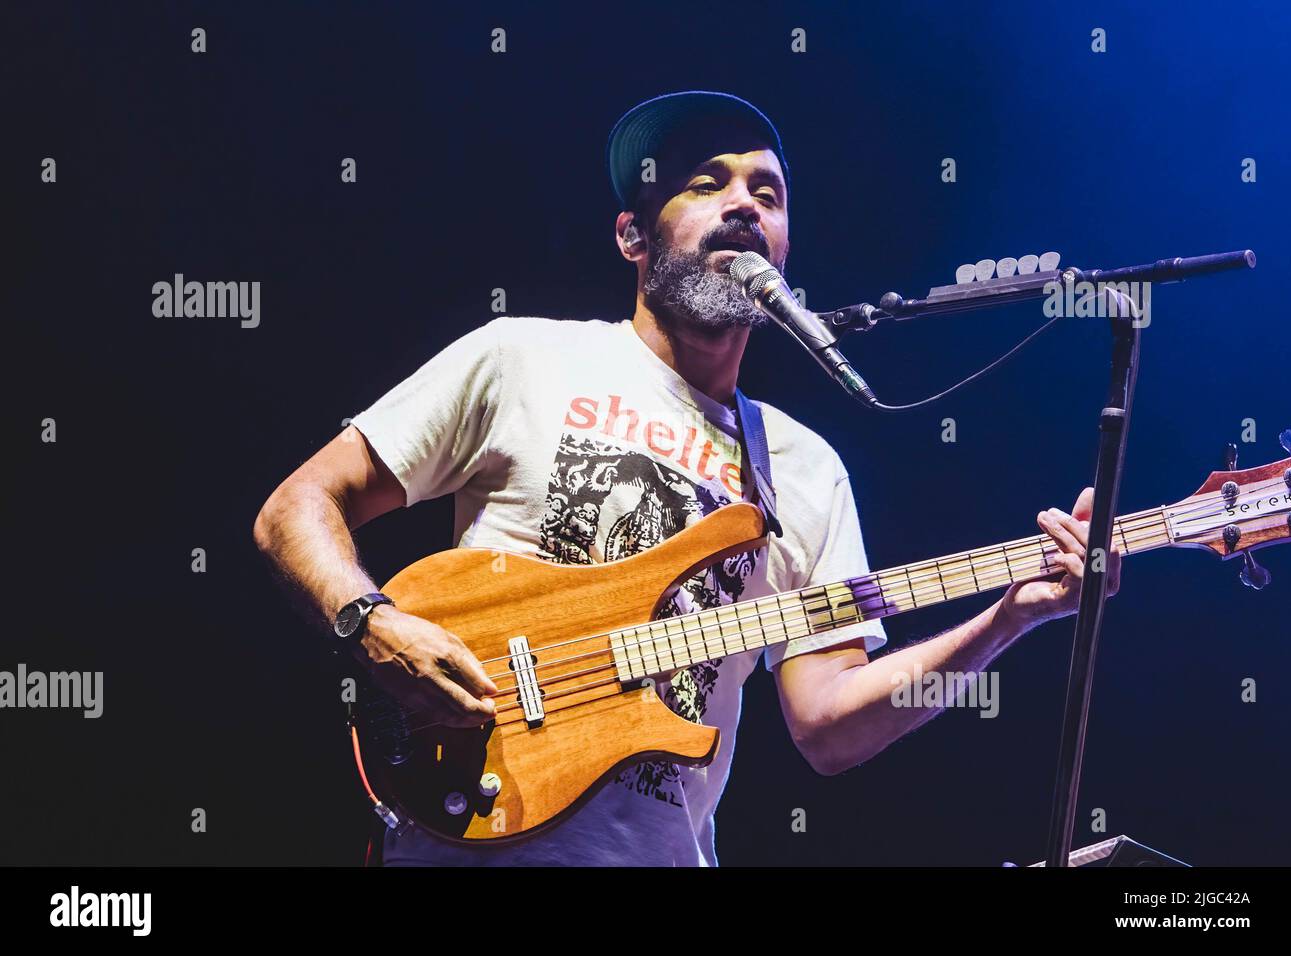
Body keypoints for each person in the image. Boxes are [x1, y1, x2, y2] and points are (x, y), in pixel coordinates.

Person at [252, 91, 1120, 866]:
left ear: (784, 252)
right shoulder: (522, 356)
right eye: (706, 183)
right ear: (632, 235)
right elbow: (296, 507)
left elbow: (827, 724)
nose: (744, 202)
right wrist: (373, 626)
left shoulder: (805, 468)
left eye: (768, 193)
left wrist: (1013, 616)